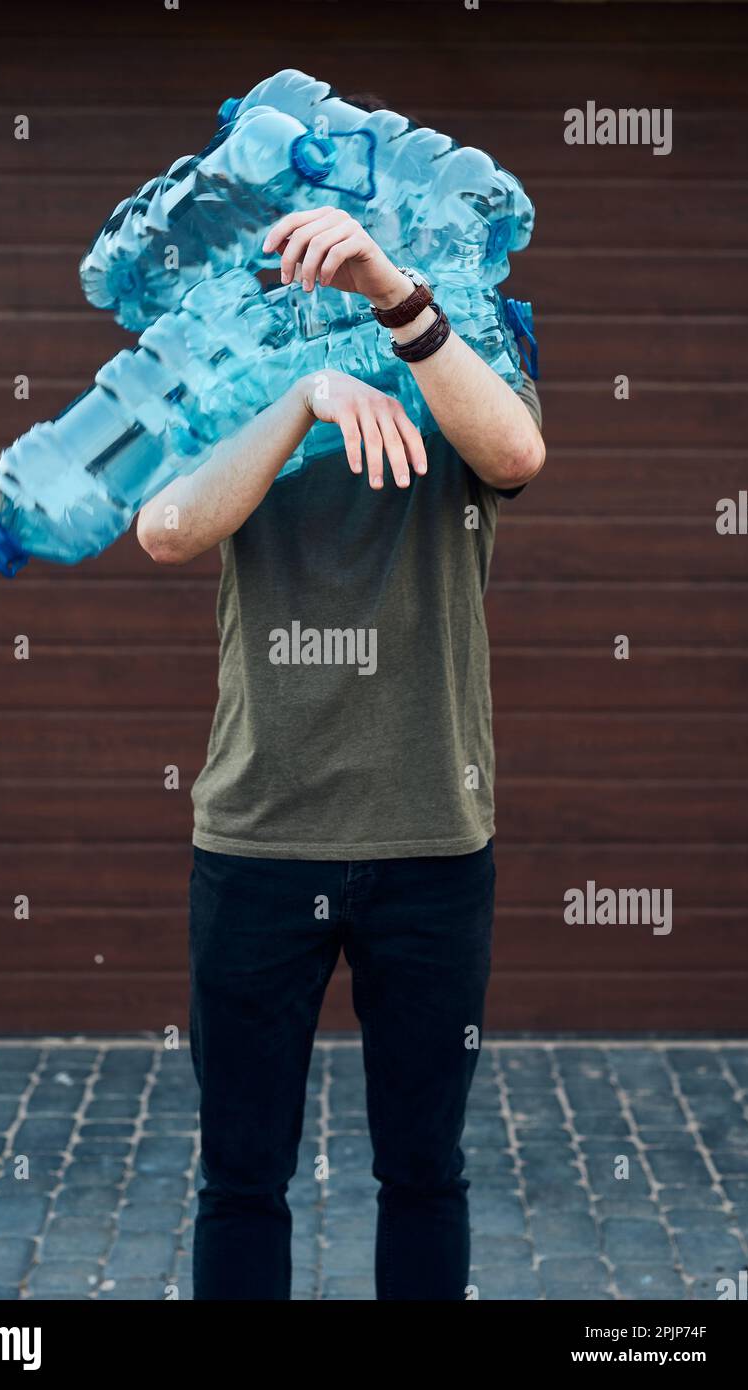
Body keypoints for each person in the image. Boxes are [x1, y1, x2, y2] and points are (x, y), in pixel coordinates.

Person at [137, 162, 545, 1300]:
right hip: (259, 835)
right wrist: (301, 396)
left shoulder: (471, 336)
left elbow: (513, 457)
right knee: (241, 1179)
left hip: (430, 836)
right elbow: (165, 529)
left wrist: (395, 297)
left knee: (422, 1172)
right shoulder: (230, 364)